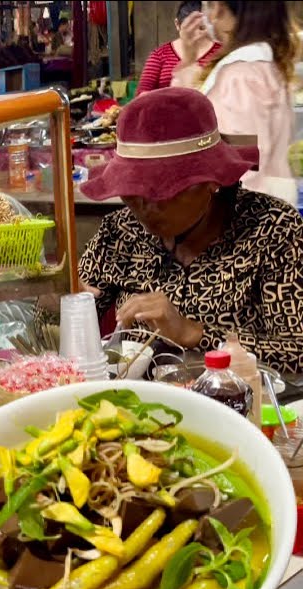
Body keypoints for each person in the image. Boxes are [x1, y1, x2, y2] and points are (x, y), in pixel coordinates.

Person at [78, 87, 303, 374]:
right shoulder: (119, 231)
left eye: (161, 191)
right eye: (131, 190)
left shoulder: (274, 229)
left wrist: (193, 332)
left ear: (213, 180)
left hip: (236, 398)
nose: (143, 206)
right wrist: (60, 303)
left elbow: (297, 351)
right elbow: (54, 334)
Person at [171, 1, 297, 203]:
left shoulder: (241, 75)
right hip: (264, 205)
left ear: (218, 7)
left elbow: (243, 167)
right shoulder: (258, 65)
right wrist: (189, 61)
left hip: (250, 210)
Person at [137, 2, 221, 93]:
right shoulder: (160, 55)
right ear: (177, 24)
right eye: (189, 30)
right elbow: (141, 95)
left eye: (201, 28)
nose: (196, 35)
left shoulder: (222, 53)